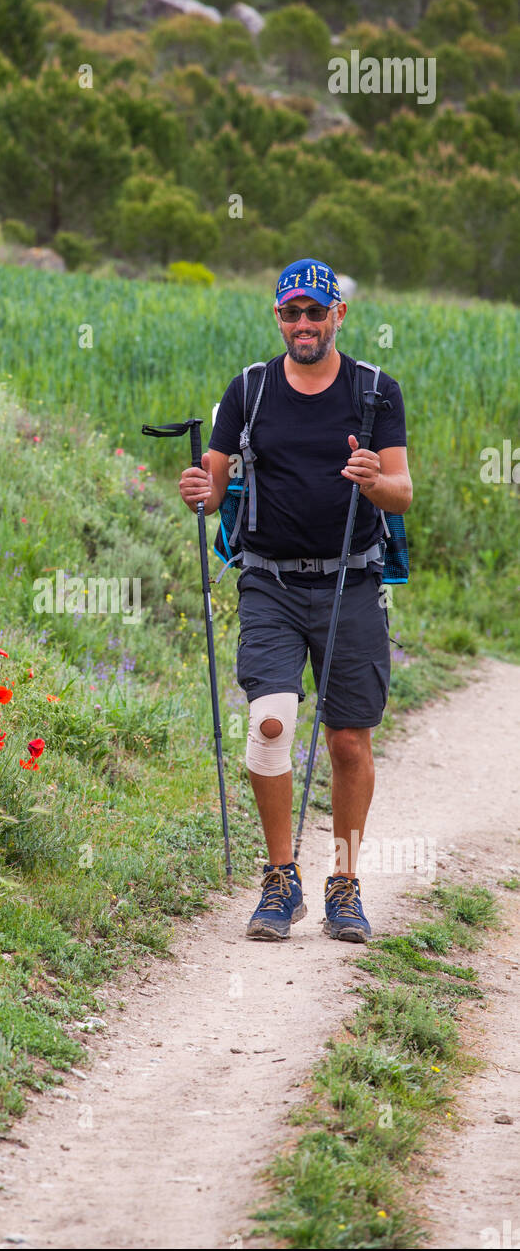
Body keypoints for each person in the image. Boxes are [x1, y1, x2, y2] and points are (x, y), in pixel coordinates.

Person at [179, 258, 412, 943]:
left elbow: (401, 491)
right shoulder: (249, 391)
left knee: (347, 741)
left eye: (317, 312)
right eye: (292, 313)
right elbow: (213, 489)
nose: (304, 324)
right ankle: (281, 879)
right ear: (277, 317)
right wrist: (197, 490)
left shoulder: (375, 393)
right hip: (270, 582)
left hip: (353, 581)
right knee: (271, 725)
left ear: (339, 315)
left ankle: (344, 882)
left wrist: (373, 481)